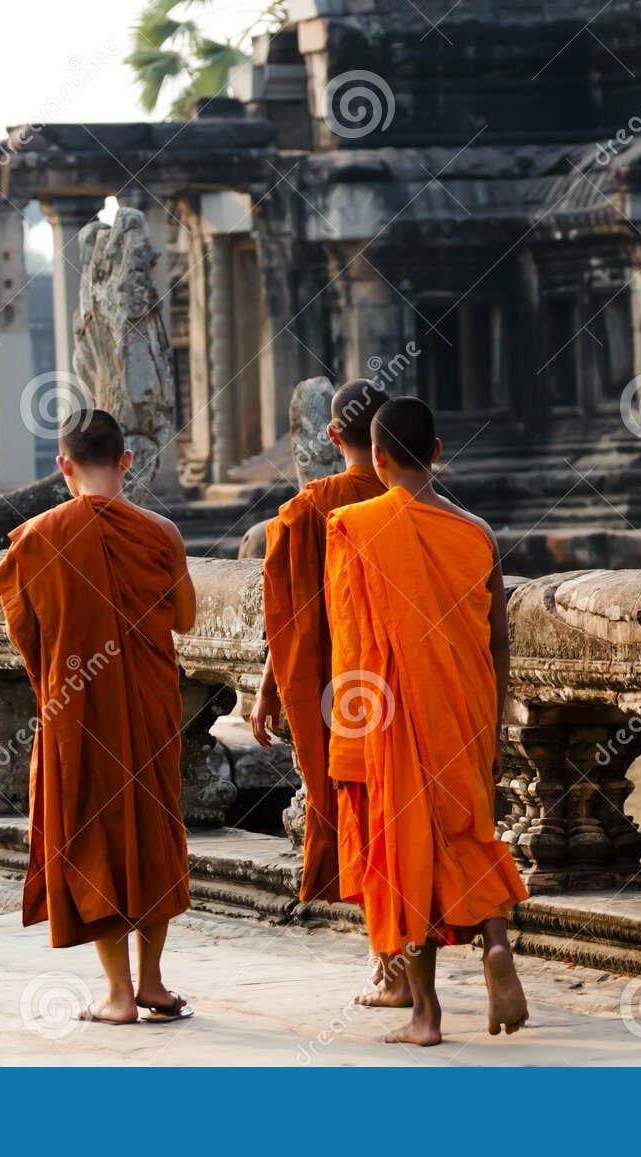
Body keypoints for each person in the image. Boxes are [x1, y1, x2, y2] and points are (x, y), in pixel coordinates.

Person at [324, 395, 530, 1046]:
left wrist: (351, 736)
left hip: (393, 713)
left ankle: (427, 1015)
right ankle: (495, 939)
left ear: (377, 459)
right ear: (437, 453)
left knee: (407, 852)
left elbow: (351, 638)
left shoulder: (354, 525)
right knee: (468, 827)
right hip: (466, 707)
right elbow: (498, 640)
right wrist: (494, 726)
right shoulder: (476, 532)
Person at [0, 409, 197, 1025]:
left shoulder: (34, 539)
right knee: (153, 829)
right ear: (127, 462)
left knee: (93, 836)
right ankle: (155, 984)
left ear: (62, 466)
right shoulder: (160, 532)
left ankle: (119, 995)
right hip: (150, 707)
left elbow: (24, 636)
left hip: (75, 710)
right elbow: (184, 620)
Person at [249, 379, 401, 1004]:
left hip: (338, 693)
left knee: (358, 816)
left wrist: (268, 691)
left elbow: (287, 617)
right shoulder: (417, 503)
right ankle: (416, 955)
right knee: (405, 813)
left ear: (332, 437)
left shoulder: (311, 509)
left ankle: (387, 961)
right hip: (404, 684)